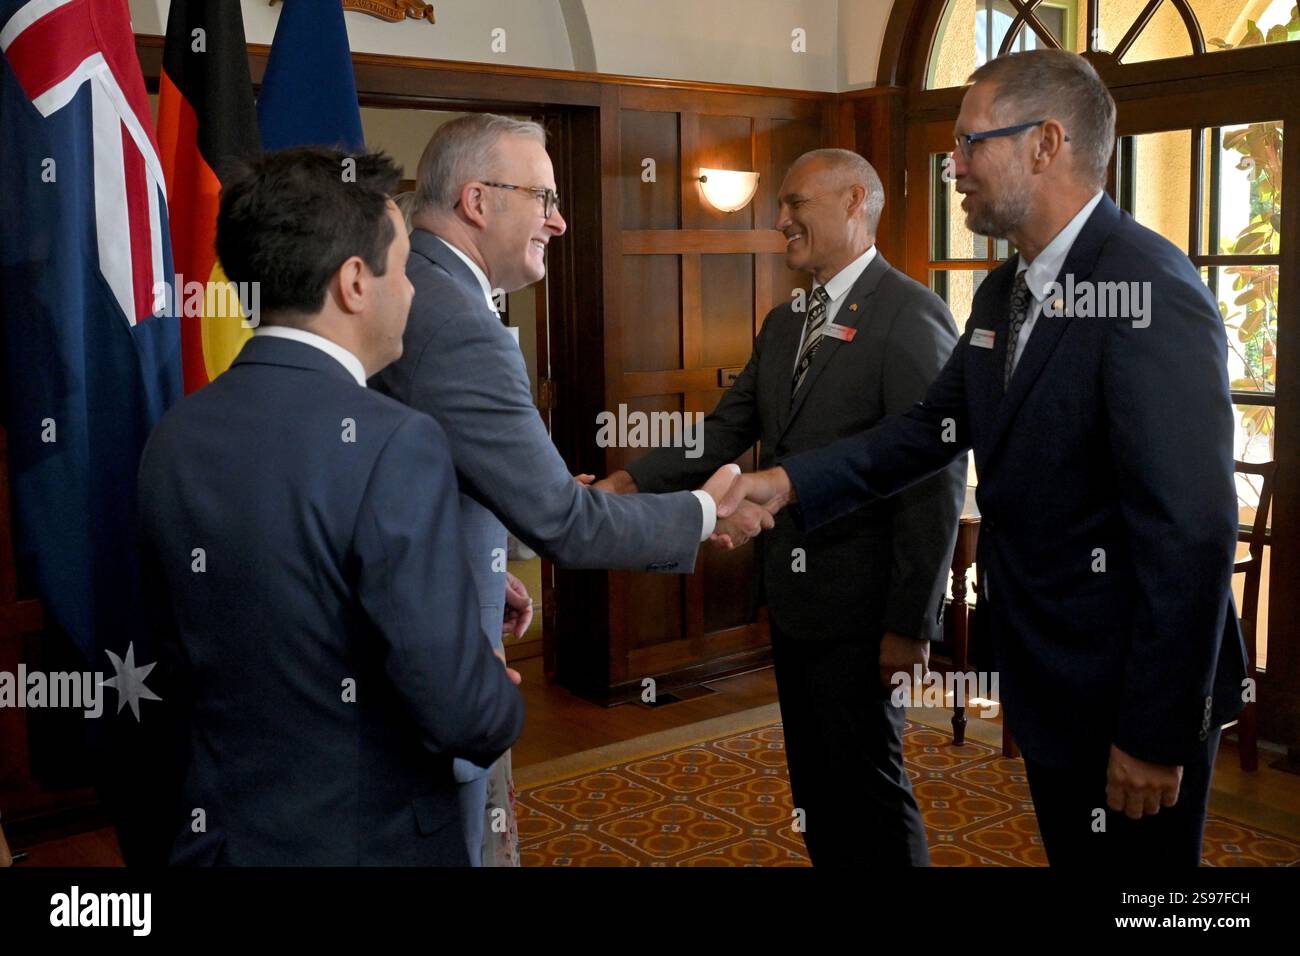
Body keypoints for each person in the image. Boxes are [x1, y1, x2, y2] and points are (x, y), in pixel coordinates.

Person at [719, 49, 1248, 867]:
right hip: (1046, 673)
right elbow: (927, 430)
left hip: (1127, 690)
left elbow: (1192, 532)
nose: (951, 167)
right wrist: (783, 481)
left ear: (1045, 142)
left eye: (969, 145)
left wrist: (1154, 731)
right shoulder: (1005, 292)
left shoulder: (1149, 288)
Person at [370, 113, 765, 866]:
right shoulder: (457, 321)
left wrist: (485, 565)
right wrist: (704, 511)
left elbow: (423, 478)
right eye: (544, 197)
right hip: (430, 673)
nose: (559, 220)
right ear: (479, 202)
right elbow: (563, 521)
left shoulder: (421, 284)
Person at [138, 147, 524, 865]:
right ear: (353, 282)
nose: (411, 291)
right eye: (404, 268)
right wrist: (495, 694)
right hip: (364, 842)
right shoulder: (395, 443)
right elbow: (462, 712)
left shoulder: (175, 433)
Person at [596, 149, 964, 866]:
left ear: (856, 201)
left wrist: (911, 622)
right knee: (818, 787)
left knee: (870, 788)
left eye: (796, 203)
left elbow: (936, 477)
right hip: (797, 600)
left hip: (865, 611)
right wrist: (628, 483)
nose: (780, 219)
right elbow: (723, 433)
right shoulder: (786, 319)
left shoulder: (911, 315)